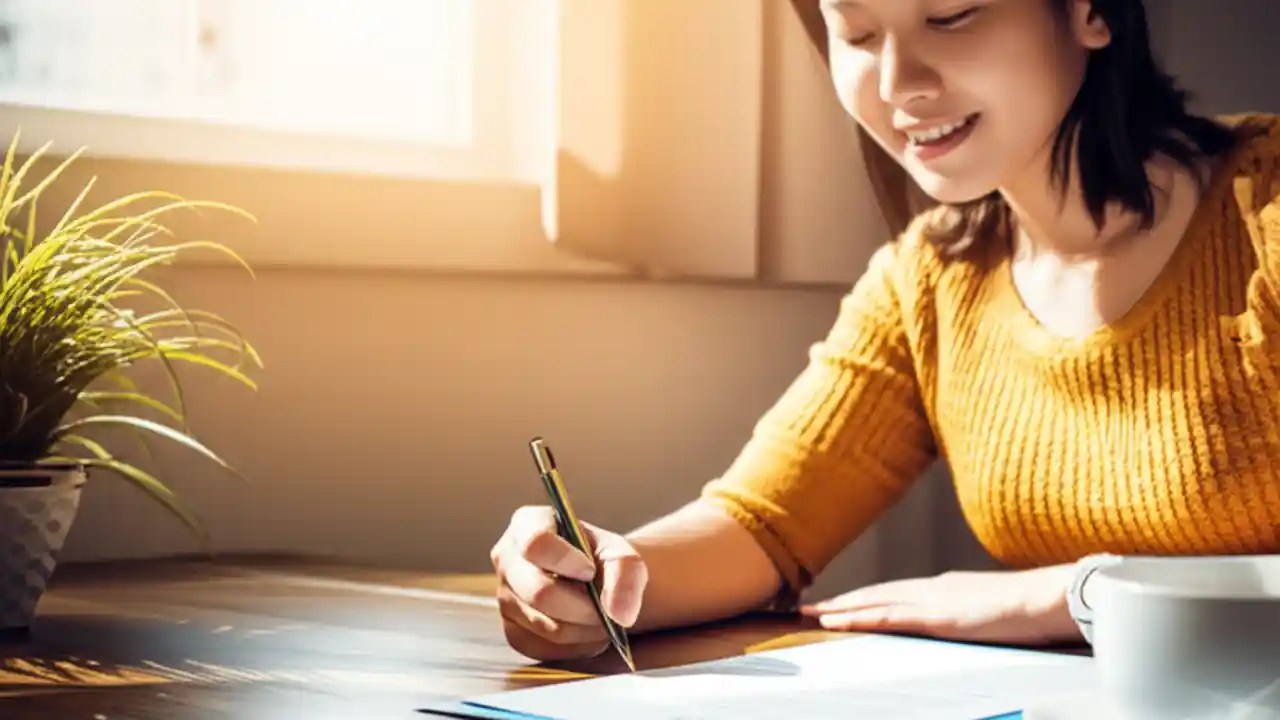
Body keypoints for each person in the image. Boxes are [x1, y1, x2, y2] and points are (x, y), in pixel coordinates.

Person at [489, 0, 1280, 662]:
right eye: (859, 34)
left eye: (950, 15)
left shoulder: (1266, 210)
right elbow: (763, 526)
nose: (900, 85)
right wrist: (594, 580)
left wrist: (1077, 592)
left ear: (1089, 10)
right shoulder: (929, 279)